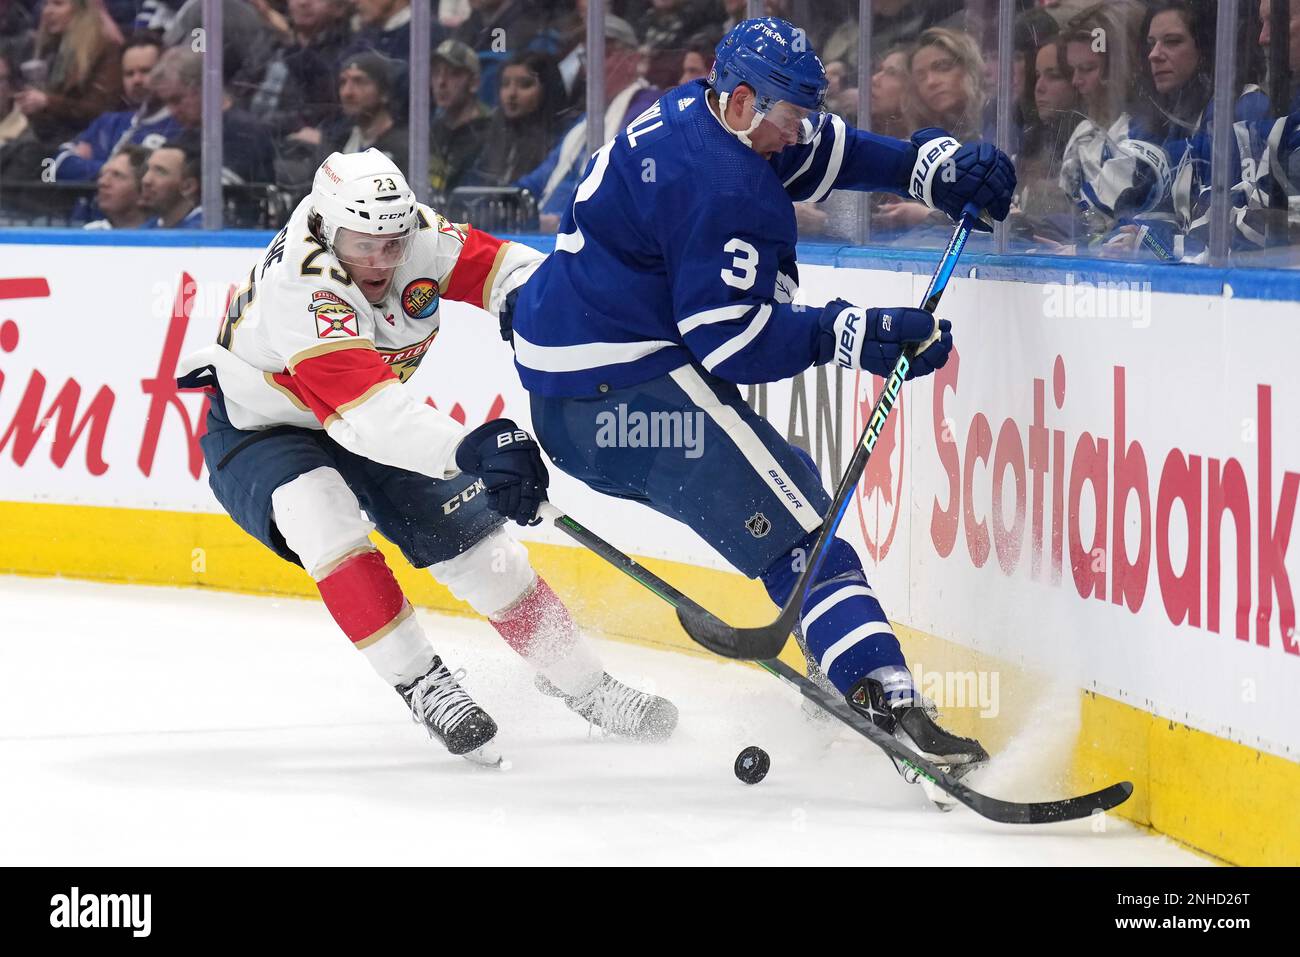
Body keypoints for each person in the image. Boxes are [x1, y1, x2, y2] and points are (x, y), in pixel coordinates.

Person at [503, 18, 1015, 805]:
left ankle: (840, 660)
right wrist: (858, 332)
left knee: (793, 510)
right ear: (741, 99)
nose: (799, 131)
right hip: (628, 395)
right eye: (788, 115)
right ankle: (893, 709)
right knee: (805, 535)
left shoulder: (700, 111)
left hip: (578, 397)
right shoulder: (724, 188)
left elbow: (817, 149)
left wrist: (924, 169)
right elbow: (733, 344)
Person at [175, 148, 677, 764]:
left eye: (392, 243)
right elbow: (369, 420)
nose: (382, 261)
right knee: (321, 519)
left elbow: (503, 265)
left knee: (486, 554)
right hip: (265, 428)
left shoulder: (410, 233)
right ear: (328, 233)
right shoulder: (301, 291)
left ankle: (587, 685)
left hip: (366, 410)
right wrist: (471, 448)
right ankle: (424, 682)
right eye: (363, 245)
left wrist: (533, 298)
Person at [515, 16, 659, 231]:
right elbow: (540, 178)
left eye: (604, 54)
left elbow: (619, 188)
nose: (592, 66)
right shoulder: (586, 121)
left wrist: (560, 219)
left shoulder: (647, 109)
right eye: (587, 55)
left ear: (633, 60)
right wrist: (509, 199)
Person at [50, 32, 180, 182]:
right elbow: (57, 165)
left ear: (165, 72)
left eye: (145, 71)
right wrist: (108, 170)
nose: (136, 80)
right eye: (129, 74)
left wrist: (86, 165)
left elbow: (146, 180)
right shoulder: (109, 122)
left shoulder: (179, 125)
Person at [14, 0, 124, 150]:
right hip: (49, 137)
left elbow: (101, 110)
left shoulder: (104, 47)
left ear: (82, 10)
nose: (47, 11)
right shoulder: (47, 49)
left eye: (57, 4)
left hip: (87, 141)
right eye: (45, 4)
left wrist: (48, 102)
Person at [466, 49, 571, 188]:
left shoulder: (563, 141)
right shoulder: (489, 135)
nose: (512, 93)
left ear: (547, 90)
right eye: (505, 84)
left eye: (525, 84)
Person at [428, 39, 490, 197]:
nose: (441, 82)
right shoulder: (436, 127)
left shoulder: (491, 131)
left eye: (453, 74)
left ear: (474, 82)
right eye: (436, 73)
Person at [84, 142, 149, 228]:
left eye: (117, 175)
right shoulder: (90, 234)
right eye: (102, 174)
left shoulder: (165, 235)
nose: (102, 182)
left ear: (144, 186)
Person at [140, 137, 202, 227]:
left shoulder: (206, 233)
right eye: (148, 169)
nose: (145, 180)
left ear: (188, 187)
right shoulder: (150, 228)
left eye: (160, 172)